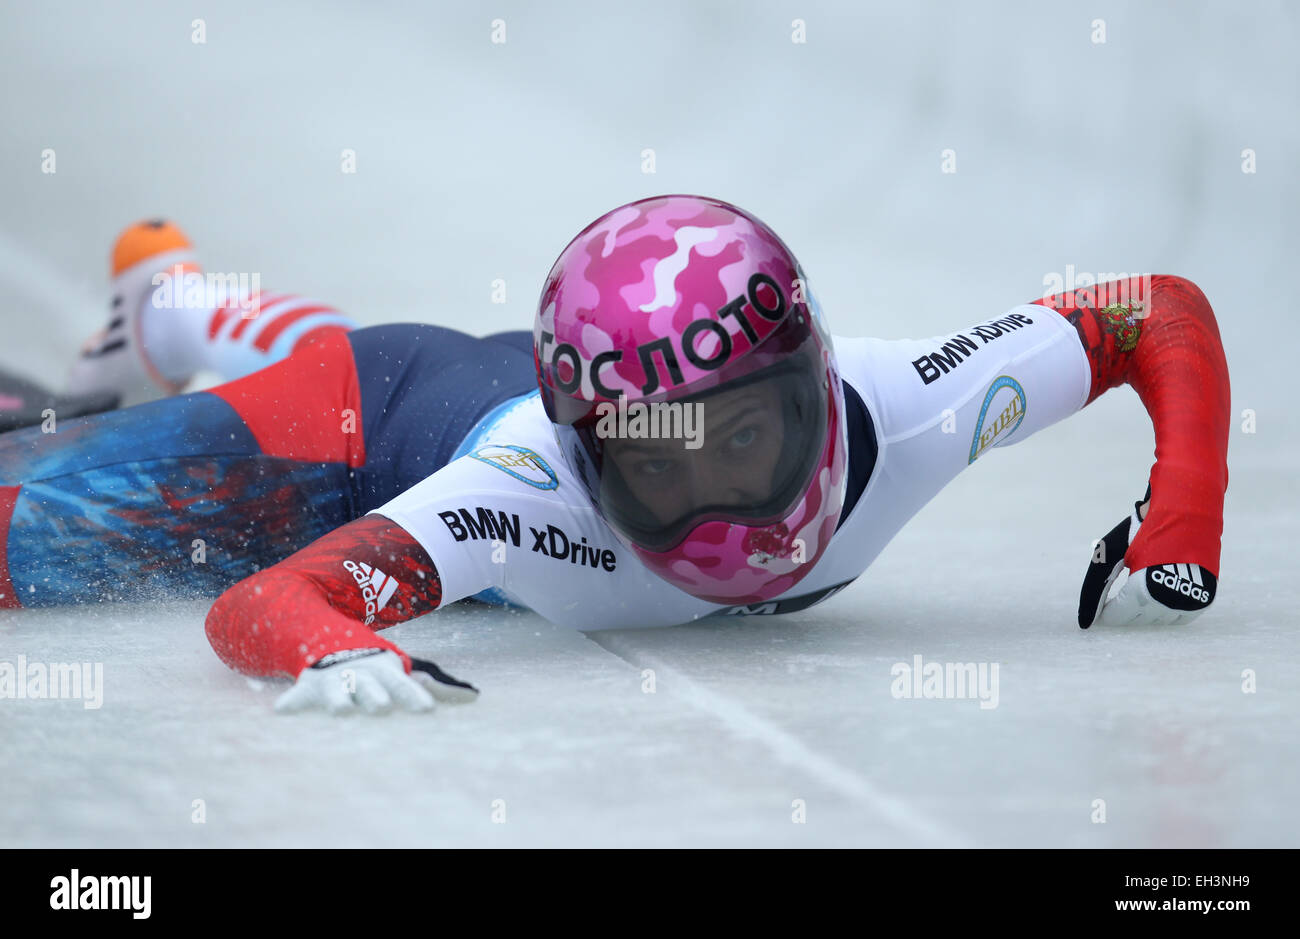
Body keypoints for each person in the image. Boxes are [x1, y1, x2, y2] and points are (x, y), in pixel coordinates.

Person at [0, 196, 1231, 715]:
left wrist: (1183, 513)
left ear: (815, 383)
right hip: (352, 423)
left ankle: (169, 296)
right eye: (655, 461)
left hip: (429, 380)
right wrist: (326, 641)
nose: (718, 514)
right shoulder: (515, 494)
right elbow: (271, 596)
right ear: (585, 463)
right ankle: (169, 307)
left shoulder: (911, 403)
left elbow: (1150, 310)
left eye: (743, 438)